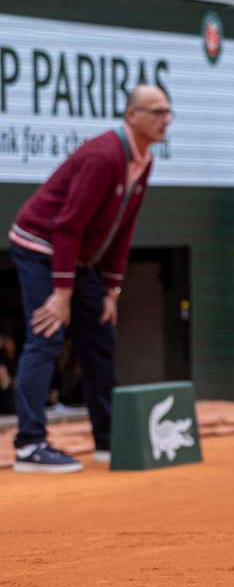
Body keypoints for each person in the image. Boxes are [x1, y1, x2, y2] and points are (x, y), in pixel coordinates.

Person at [7, 85, 168, 472]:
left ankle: (109, 441)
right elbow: (67, 226)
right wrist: (61, 294)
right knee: (47, 333)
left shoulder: (144, 160)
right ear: (132, 115)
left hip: (76, 257)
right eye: (156, 111)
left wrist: (111, 290)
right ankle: (29, 444)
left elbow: (122, 229)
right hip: (38, 245)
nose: (166, 119)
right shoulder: (104, 155)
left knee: (100, 335)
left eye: (168, 111)